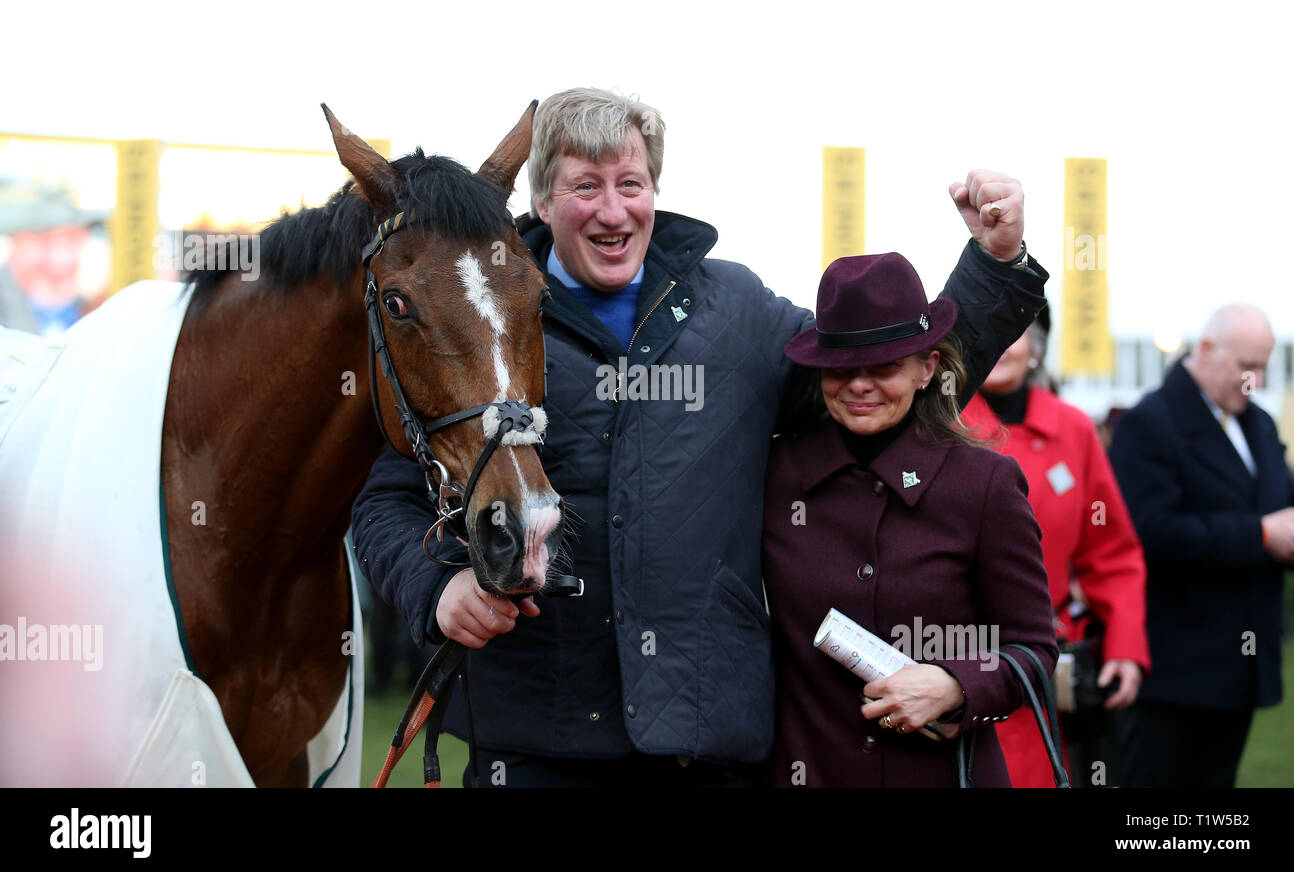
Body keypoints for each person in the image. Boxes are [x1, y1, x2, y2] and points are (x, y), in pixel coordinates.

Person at [351, 87, 1050, 787]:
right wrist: (436, 589)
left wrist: (995, 262)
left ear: (656, 191)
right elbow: (384, 501)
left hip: (709, 746)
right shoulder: (483, 327)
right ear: (541, 203)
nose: (612, 209)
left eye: (631, 183)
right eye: (584, 186)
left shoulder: (739, 311)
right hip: (536, 743)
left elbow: (886, 372)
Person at [762, 252, 1057, 788]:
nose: (859, 386)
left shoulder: (985, 484)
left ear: (928, 368)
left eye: (883, 368)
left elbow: (1034, 651)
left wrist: (956, 685)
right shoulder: (774, 476)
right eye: (842, 367)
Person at [1108, 303, 1294, 787]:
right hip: (1173, 674)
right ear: (1207, 349)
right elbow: (1148, 532)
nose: (1254, 379)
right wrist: (1260, 535)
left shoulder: (1258, 424)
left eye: (1262, 367)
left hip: (1241, 672)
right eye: (1245, 366)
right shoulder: (1148, 423)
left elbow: (1285, 499)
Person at [961, 307, 1149, 787]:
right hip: (960, 664)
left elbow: (1112, 553)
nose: (1001, 345)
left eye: (1015, 334)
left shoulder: (1075, 431)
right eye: (990, 331)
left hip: (1048, 669)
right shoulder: (943, 426)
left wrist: (1124, 646)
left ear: (1037, 347)